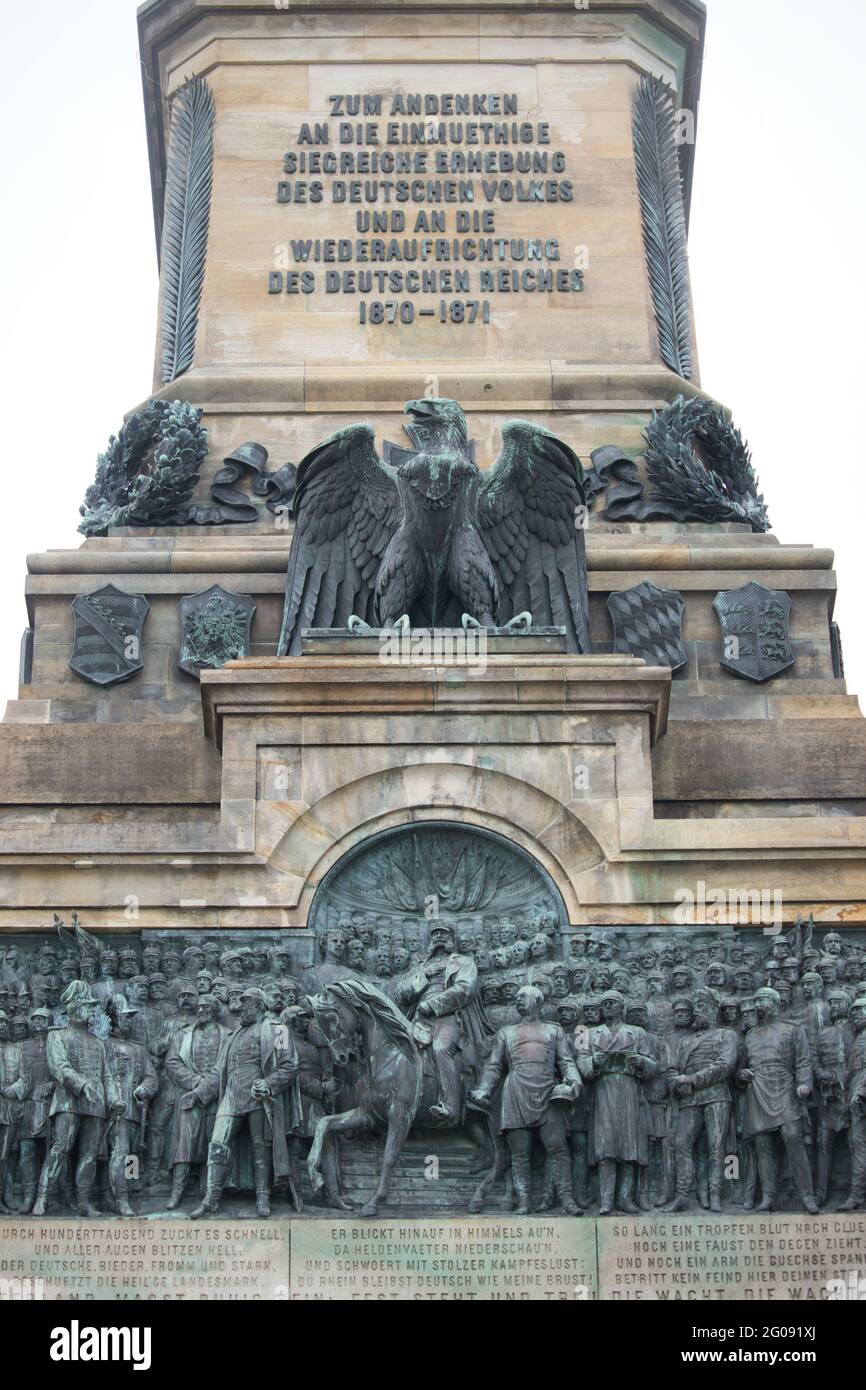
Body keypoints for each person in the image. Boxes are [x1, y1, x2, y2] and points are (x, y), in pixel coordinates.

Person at [470, 984, 582, 1216]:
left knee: (558, 1147)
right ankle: (523, 1201)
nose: (518, 1000)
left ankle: (567, 1199)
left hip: (548, 1090)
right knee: (519, 1152)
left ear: (538, 1002)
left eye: (524, 997)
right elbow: (493, 1066)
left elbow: (566, 1061)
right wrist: (483, 1089)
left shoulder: (554, 1031)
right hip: (516, 1091)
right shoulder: (506, 1033)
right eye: (517, 997)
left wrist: (574, 1080)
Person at [189, 988, 301, 1219]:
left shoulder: (279, 1030)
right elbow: (218, 1070)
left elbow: (290, 1065)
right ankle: (211, 1199)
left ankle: (263, 1197)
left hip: (259, 1097)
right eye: (241, 1005)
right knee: (217, 1144)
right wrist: (199, 1092)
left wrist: (269, 1083)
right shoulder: (233, 1036)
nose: (241, 1009)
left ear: (259, 1005)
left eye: (246, 1004)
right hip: (231, 1096)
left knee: (261, 1148)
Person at [33, 981, 124, 1216]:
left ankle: (84, 1201)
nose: (91, 1011)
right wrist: (81, 1084)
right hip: (68, 1102)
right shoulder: (58, 1036)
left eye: (92, 1007)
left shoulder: (98, 1043)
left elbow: (107, 1076)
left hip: (95, 1105)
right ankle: (42, 1198)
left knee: (90, 1153)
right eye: (87, 1006)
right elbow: (58, 1066)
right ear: (73, 1007)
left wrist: (114, 1100)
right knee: (60, 1148)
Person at [392, 921, 492, 1124]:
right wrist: (425, 975)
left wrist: (433, 1003)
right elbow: (400, 995)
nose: (439, 936)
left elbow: (465, 990)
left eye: (444, 933)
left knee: (441, 1047)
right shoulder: (421, 966)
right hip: (419, 1018)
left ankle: (449, 1106)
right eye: (435, 933)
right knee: (395, 1051)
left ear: (452, 938)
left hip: (449, 1017)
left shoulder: (464, 962)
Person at [738, 987, 818, 1214]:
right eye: (756, 1000)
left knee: (793, 1136)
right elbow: (742, 1067)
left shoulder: (792, 1029)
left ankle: (808, 1196)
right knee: (762, 1144)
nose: (758, 1003)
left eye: (762, 999)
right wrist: (742, 1075)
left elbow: (803, 1061)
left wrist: (804, 1083)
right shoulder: (751, 1034)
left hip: (784, 1086)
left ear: (775, 1002)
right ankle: (768, 1197)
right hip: (758, 1088)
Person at [581, 990, 657, 1214]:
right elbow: (580, 1063)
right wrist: (594, 1060)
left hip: (629, 1090)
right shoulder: (589, 1033)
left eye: (613, 1003)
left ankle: (625, 1198)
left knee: (629, 1145)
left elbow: (653, 1065)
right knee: (606, 1145)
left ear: (622, 1008)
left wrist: (640, 1061)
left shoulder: (637, 1032)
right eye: (605, 1004)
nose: (608, 1007)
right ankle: (605, 1200)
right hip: (603, 1090)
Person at [665, 998, 737, 1213]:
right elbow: (672, 1069)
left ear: (714, 1009)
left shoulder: (727, 1035)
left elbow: (725, 1065)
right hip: (690, 1098)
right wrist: (677, 1084)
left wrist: (693, 1078)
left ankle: (716, 1195)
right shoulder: (686, 1041)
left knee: (717, 1147)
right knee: (681, 1144)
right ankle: (682, 1195)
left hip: (716, 1096)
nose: (698, 1011)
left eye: (703, 1006)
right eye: (697, 1008)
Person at [164, 992, 228, 1210]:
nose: (202, 1010)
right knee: (184, 1145)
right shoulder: (181, 1035)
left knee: (214, 1144)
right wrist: (195, 1082)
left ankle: (208, 1194)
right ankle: (176, 1191)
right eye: (200, 1007)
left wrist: (206, 1087)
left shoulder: (228, 1036)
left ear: (216, 1011)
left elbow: (226, 1066)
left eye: (207, 1007)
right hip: (188, 1094)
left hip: (217, 1096)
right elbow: (172, 1063)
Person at [104, 995, 158, 1217]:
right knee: (120, 1152)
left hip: (136, 1113)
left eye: (130, 1017)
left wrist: (145, 1088)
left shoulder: (139, 1049)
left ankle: (131, 1192)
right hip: (114, 1113)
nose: (129, 1021)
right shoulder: (103, 1046)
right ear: (114, 1018)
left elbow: (151, 1077)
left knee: (132, 1156)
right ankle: (121, 1199)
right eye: (125, 1017)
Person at [15, 1007, 54, 1213]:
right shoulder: (23, 1046)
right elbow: (18, 1074)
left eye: (42, 1019)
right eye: (35, 1019)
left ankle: (47, 1194)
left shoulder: (56, 1044)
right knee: (26, 1152)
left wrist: (54, 1084)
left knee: (51, 1152)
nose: (38, 1023)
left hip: (50, 1105)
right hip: (28, 1104)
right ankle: (29, 1195)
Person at [840, 994, 866, 1211]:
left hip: (862, 1095)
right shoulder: (860, 1037)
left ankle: (857, 1195)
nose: (855, 1015)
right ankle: (857, 1195)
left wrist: (860, 1092)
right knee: (856, 1146)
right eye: (854, 1011)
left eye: (860, 1010)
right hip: (856, 1094)